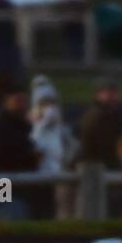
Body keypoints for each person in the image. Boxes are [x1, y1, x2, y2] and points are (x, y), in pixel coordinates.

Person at [0, 86, 37, 219]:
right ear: (7, 101)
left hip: (24, 183)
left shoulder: (25, 125)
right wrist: (29, 157)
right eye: (18, 100)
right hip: (4, 181)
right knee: (7, 216)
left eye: (24, 100)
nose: (22, 104)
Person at [29, 77, 78, 218]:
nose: (49, 108)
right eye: (44, 104)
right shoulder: (32, 130)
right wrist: (42, 124)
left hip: (62, 183)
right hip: (40, 184)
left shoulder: (63, 131)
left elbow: (72, 151)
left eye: (52, 103)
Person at [78, 79, 122, 169]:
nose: (113, 96)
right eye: (109, 93)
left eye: (114, 92)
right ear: (98, 94)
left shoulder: (112, 115)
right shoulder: (95, 116)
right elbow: (93, 147)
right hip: (94, 167)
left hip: (106, 166)